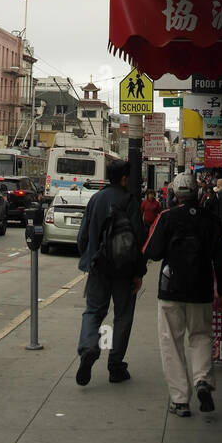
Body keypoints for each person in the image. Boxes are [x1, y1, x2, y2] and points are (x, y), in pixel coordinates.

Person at [143, 171, 222, 417]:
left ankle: (180, 399)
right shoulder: (210, 220)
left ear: (174, 193)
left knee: (171, 342)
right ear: (197, 192)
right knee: (201, 335)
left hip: (171, 289)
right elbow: (221, 259)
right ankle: (202, 379)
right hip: (201, 289)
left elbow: (153, 251)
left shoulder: (166, 217)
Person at [76, 160, 147, 386]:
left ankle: (89, 347)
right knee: (123, 315)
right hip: (125, 271)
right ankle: (115, 365)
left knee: (94, 312)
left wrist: (89, 259)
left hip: (99, 267)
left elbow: (83, 237)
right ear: (125, 179)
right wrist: (139, 272)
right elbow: (139, 239)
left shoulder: (96, 199)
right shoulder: (130, 201)